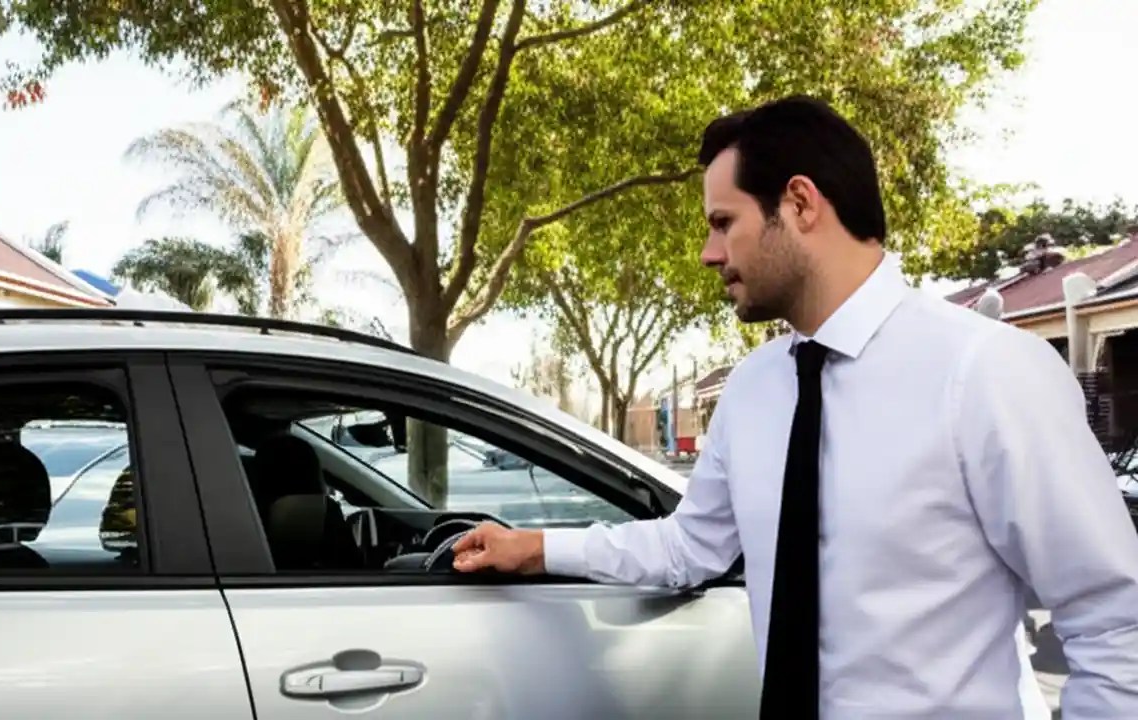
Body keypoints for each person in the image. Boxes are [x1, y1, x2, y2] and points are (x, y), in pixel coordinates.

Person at [451, 95, 1138, 717]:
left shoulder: (987, 371)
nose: (706, 253)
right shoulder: (753, 390)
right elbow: (689, 546)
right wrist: (535, 547)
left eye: (724, 223)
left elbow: (1115, 622)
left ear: (801, 204)